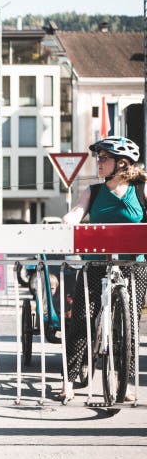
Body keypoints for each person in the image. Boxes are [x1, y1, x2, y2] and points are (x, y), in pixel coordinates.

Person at [60, 136, 147, 402]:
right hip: (97, 263)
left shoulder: (142, 188)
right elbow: (74, 214)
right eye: (98, 158)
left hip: (134, 264)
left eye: (104, 158)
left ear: (121, 163)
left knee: (130, 321)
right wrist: (68, 222)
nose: (99, 162)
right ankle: (70, 380)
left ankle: (126, 382)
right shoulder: (94, 192)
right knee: (83, 318)